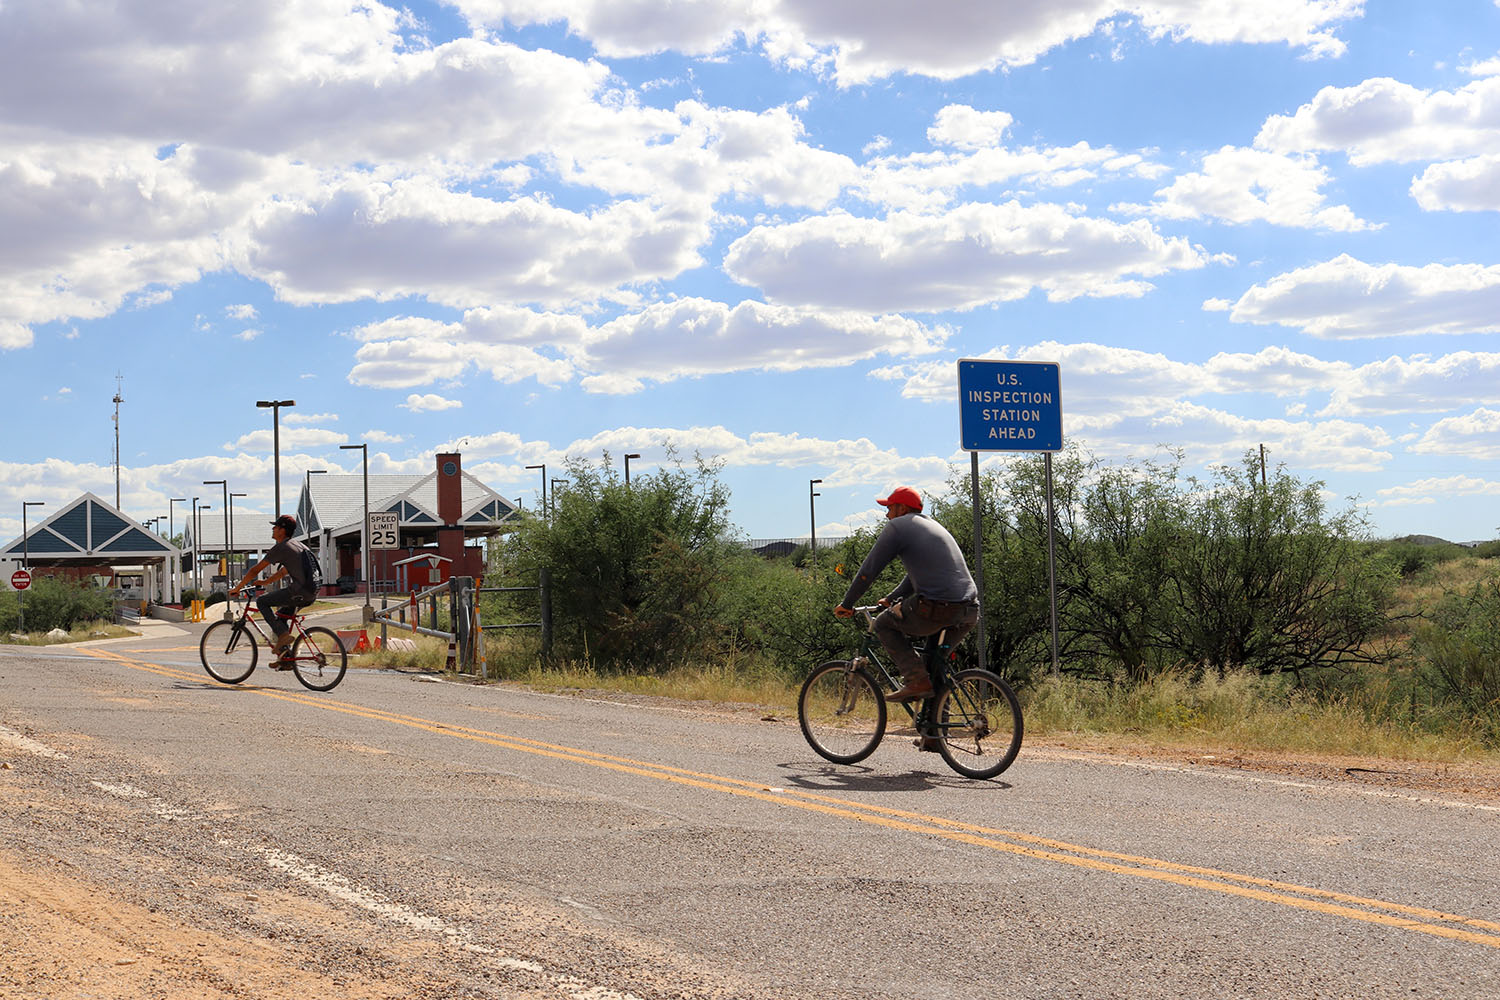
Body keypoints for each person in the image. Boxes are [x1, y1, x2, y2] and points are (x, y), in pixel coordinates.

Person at [834, 486, 979, 702]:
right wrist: (891, 599)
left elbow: (869, 570)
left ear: (902, 508)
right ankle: (933, 735)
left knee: (883, 623)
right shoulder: (932, 526)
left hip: (938, 607)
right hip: (969, 611)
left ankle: (914, 679)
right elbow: (914, 578)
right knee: (933, 669)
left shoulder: (898, 526)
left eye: (889, 508)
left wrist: (847, 603)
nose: (887, 514)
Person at [229, 514, 317, 665]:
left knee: (262, 601)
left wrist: (237, 588)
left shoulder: (281, 547)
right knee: (282, 615)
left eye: (275, 527)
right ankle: (286, 657)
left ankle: (282, 635)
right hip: (312, 590)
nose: (273, 529)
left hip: (300, 591)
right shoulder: (297, 545)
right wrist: (266, 581)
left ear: (282, 531)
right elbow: (283, 571)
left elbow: (254, 570)